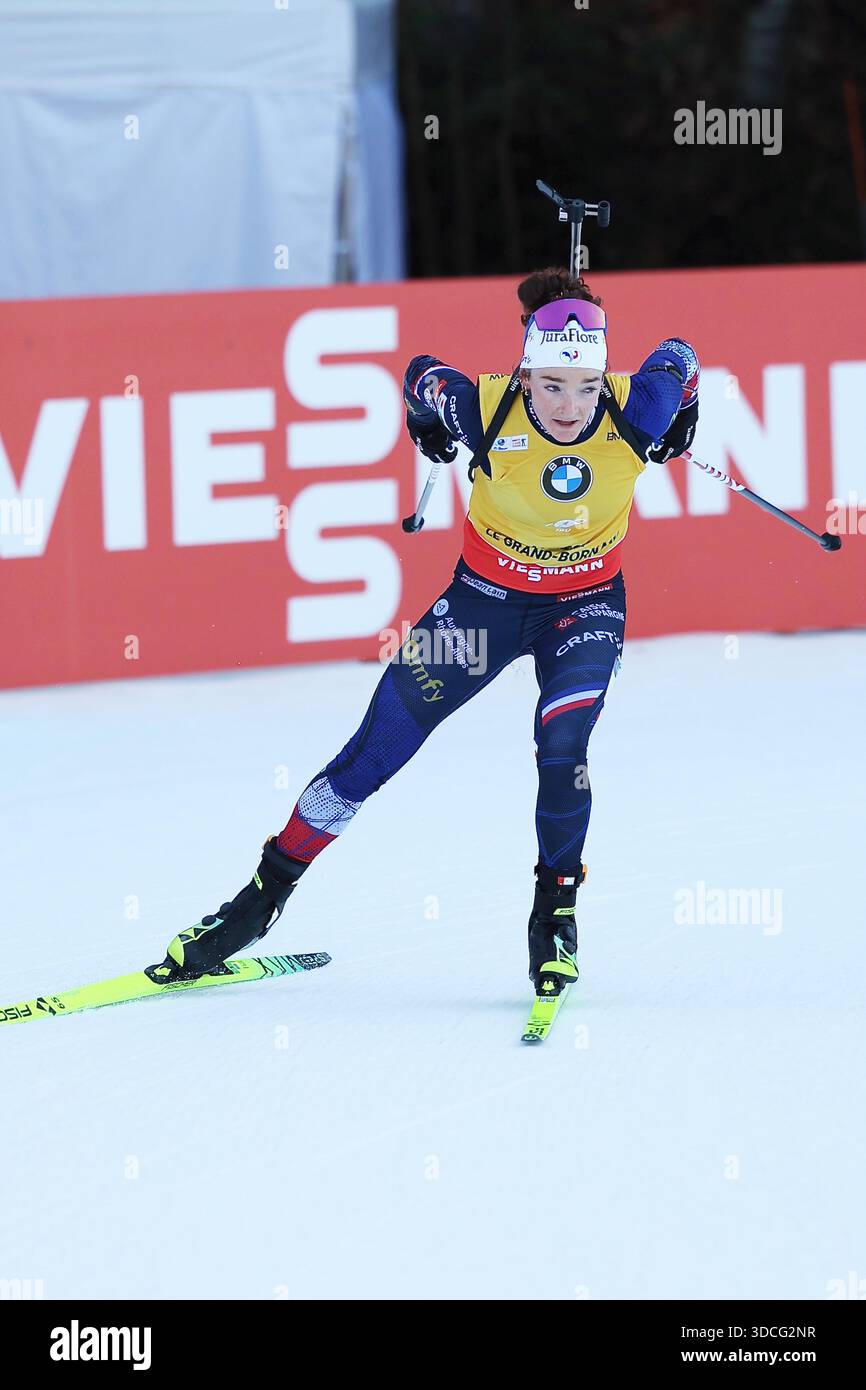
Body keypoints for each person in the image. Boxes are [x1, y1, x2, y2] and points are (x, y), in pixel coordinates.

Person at [146, 266, 699, 996]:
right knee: (373, 754)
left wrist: (685, 417)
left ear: (606, 383)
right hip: (481, 608)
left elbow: (681, 359)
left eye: (587, 389)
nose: (570, 407)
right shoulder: (485, 408)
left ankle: (555, 917)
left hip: (584, 607)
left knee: (563, 744)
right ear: (524, 375)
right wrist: (428, 422)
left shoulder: (639, 409)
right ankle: (259, 901)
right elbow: (420, 375)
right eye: (552, 387)